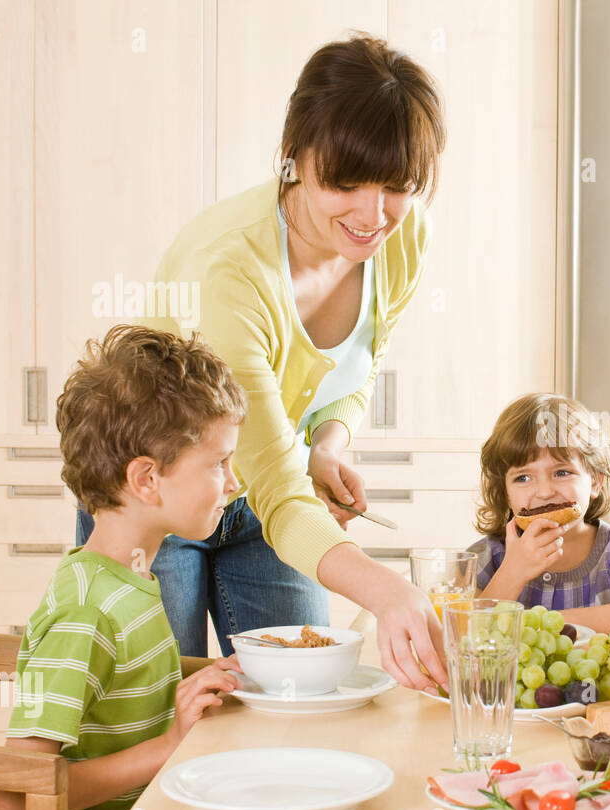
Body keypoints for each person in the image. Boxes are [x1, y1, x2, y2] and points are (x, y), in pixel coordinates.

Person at [96, 33, 449, 690]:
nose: (373, 217)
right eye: (346, 183)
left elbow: (359, 365)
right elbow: (283, 496)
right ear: (292, 160)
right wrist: (389, 591)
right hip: (157, 495)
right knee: (155, 717)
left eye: (397, 186)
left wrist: (327, 441)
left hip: (265, 492)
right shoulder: (230, 271)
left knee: (301, 693)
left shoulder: (404, 239)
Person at [0, 327, 245, 810]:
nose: (234, 482)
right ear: (147, 479)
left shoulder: (129, 581)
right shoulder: (86, 611)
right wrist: (169, 745)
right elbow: (15, 798)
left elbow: (128, 687)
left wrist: (211, 675)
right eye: (219, 463)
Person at [469, 394, 610, 636]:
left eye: (561, 472)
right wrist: (512, 572)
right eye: (523, 477)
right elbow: (467, 637)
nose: (545, 492)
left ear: (595, 482)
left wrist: (542, 622)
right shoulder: (487, 558)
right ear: (505, 493)